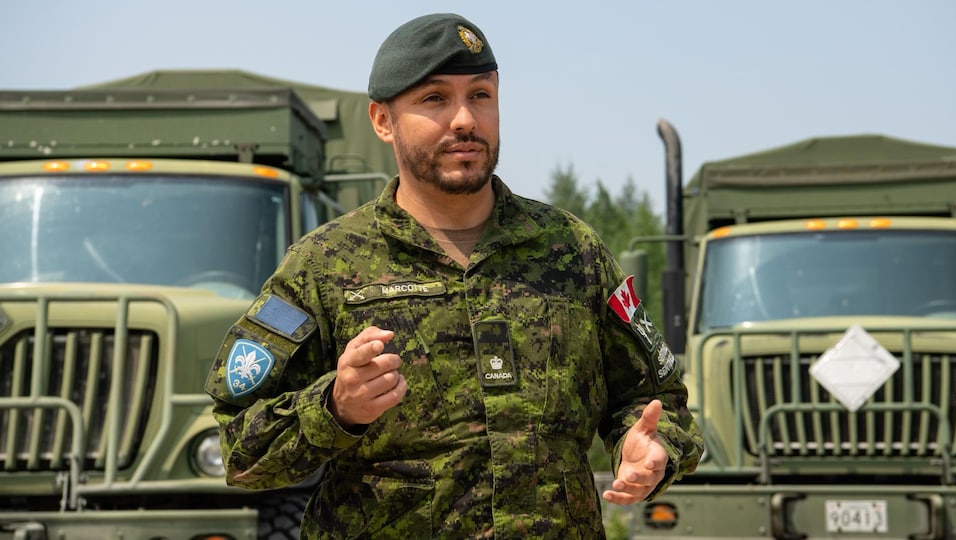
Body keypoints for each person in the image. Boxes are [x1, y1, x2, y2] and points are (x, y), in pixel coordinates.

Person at [204, 12, 703, 538]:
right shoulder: (325, 265)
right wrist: (336, 408)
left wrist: (650, 447)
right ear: (382, 120)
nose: (464, 119)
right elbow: (239, 448)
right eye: (434, 99)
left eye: (481, 95)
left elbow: (658, 399)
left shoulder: (572, 250)